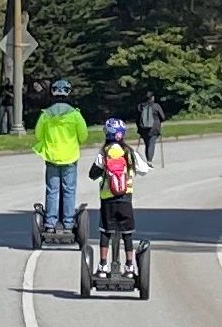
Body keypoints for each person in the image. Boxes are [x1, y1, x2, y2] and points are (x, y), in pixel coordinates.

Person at [33, 79, 91, 232]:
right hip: (70, 157)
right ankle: (68, 223)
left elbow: (38, 135)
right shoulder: (75, 115)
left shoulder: (46, 115)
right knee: (69, 190)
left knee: (52, 190)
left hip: (52, 157)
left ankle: (50, 223)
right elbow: (83, 135)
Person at [87, 118, 139, 276]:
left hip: (108, 199)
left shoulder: (104, 152)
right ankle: (129, 267)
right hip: (125, 198)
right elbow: (142, 169)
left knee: (106, 231)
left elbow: (92, 174)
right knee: (127, 233)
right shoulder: (129, 152)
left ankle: (103, 266)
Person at [138, 91, 164, 170]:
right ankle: (149, 161)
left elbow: (137, 117)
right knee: (151, 143)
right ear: (152, 97)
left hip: (143, 128)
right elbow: (162, 117)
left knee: (147, 144)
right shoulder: (156, 106)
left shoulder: (141, 106)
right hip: (154, 128)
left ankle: (147, 160)